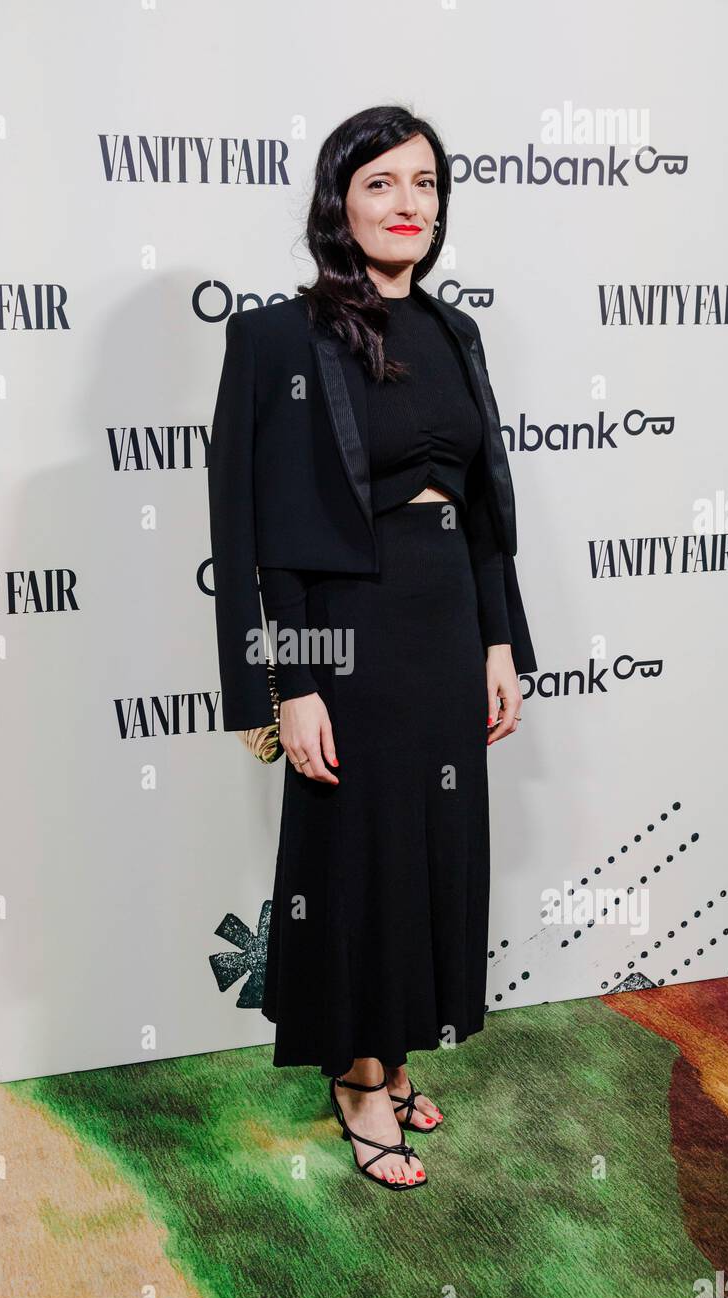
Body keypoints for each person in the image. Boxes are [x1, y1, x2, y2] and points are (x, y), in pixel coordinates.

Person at [207, 105, 537, 1192]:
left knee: (429, 847)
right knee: (351, 856)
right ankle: (353, 1076)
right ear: (337, 204)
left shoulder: (453, 333)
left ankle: (392, 1050)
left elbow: (484, 506)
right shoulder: (273, 339)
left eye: (426, 186)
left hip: (445, 619)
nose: (409, 207)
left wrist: (498, 638)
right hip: (346, 630)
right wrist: (288, 683)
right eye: (382, 185)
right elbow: (257, 532)